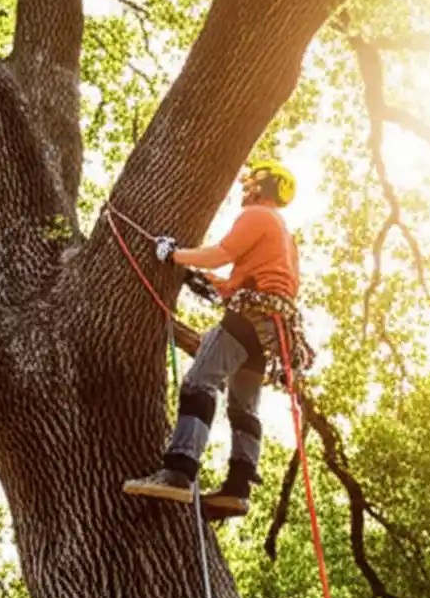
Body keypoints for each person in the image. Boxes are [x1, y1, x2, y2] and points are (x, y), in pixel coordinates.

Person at [123, 159, 311, 520]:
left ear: (263, 186)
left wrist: (173, 254)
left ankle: (179, 470)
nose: (247, 188)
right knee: (243, 406)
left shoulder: (257, 216)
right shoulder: (284, 234)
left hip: (248, 318)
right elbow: (255, 279)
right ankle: (237, 488)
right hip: (272, 330)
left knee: (199, 382)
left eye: (252, 182)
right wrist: (205, 281)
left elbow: (221, 254)